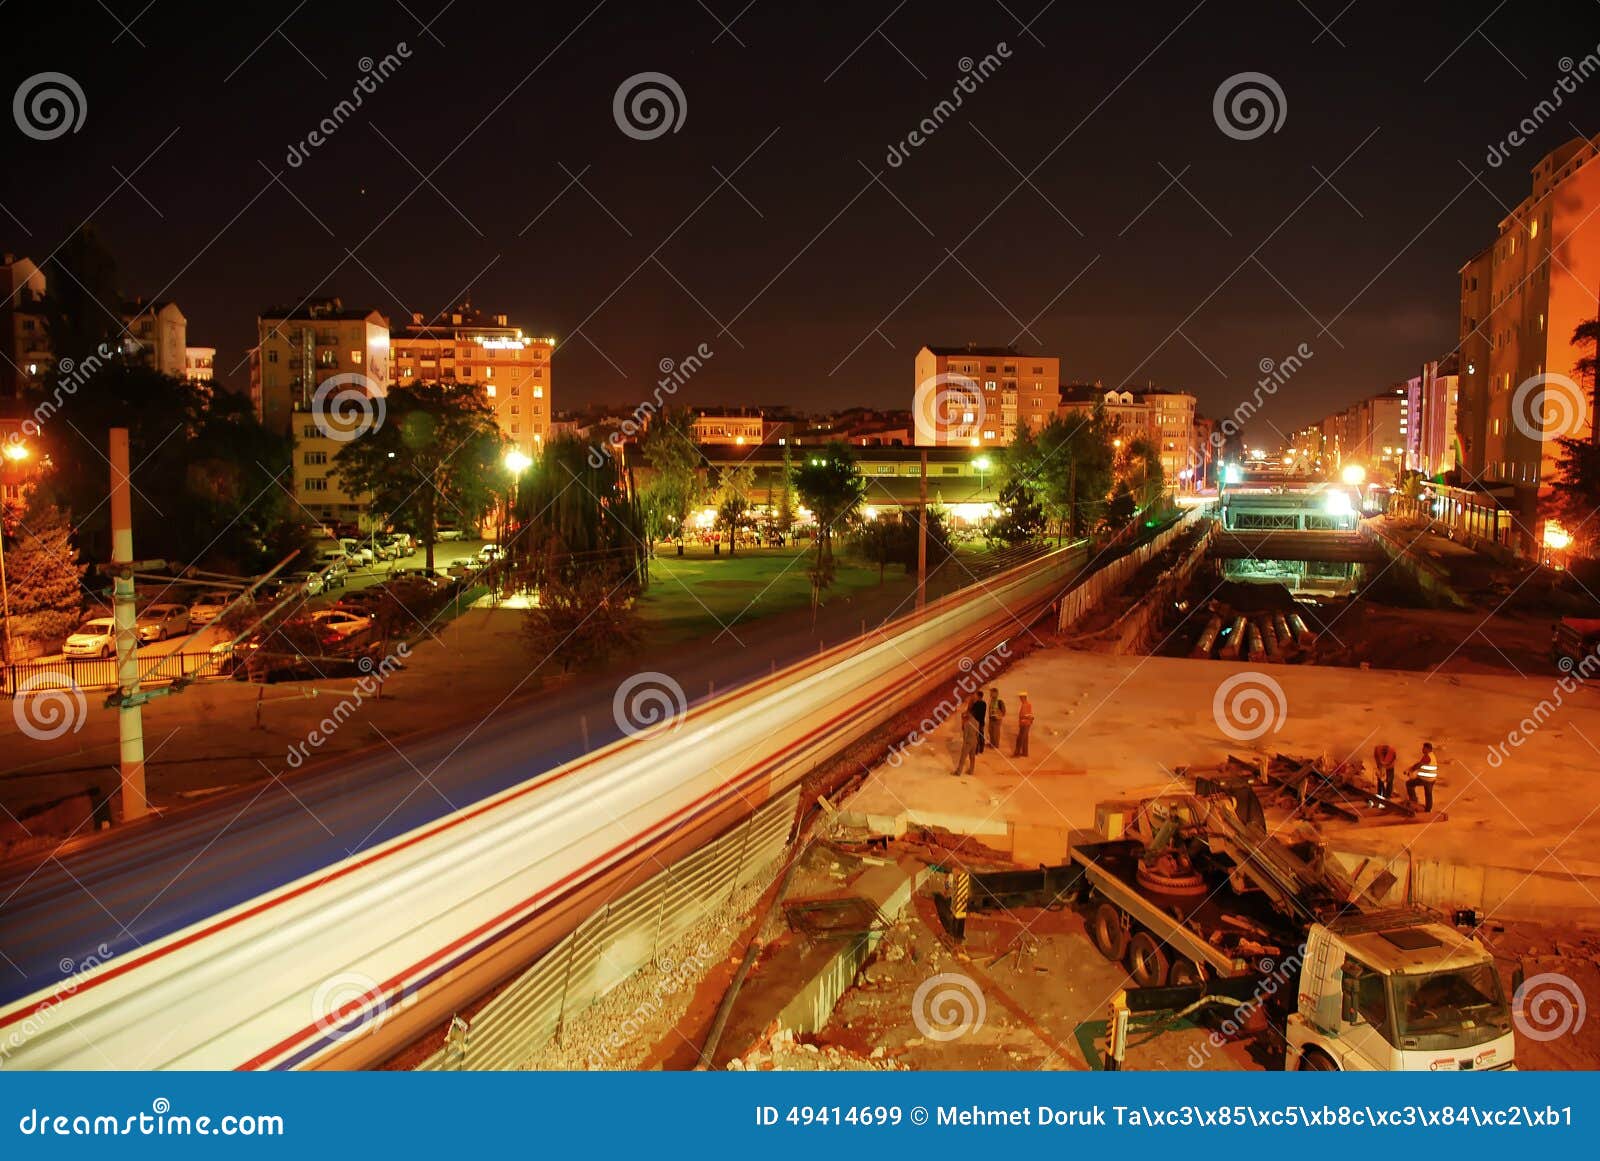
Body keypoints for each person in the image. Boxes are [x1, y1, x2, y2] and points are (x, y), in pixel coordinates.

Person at [1405, 742, 1439, 812]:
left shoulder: (1427, 756)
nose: (1422, 749)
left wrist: (1410, 770)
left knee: (1409, 784)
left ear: (1427, 749)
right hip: (1432, 779)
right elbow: (1419, 763)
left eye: (1424, 748)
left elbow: (1419, 765)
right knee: (1428, 794)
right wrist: (1410, 768)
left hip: (1425, 779)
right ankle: (1428, 810)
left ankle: (1413, 801)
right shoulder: (1432, 755)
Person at [953, 705, 980, 777]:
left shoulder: (967, 723)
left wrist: (964, 744)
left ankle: (958, 772)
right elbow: (977, 734)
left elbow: (965, 735)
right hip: (974, 742)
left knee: (963, 757)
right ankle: (971, 770)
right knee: (972, 757)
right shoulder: (977, 723)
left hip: (968, 742)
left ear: (970, 714)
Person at [1013, 691, 1034, 758]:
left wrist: (1023, 717)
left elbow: (1026, 715)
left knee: (1020, 739)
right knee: (1025, 739)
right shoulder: (1028, 705)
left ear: (1023, 697)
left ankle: (1017, 753)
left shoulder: (1025, 705)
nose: (1020, 699)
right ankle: (1025, 753)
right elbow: (1030, 715)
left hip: (1025, 724)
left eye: (1021, 697)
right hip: (1026, 724)